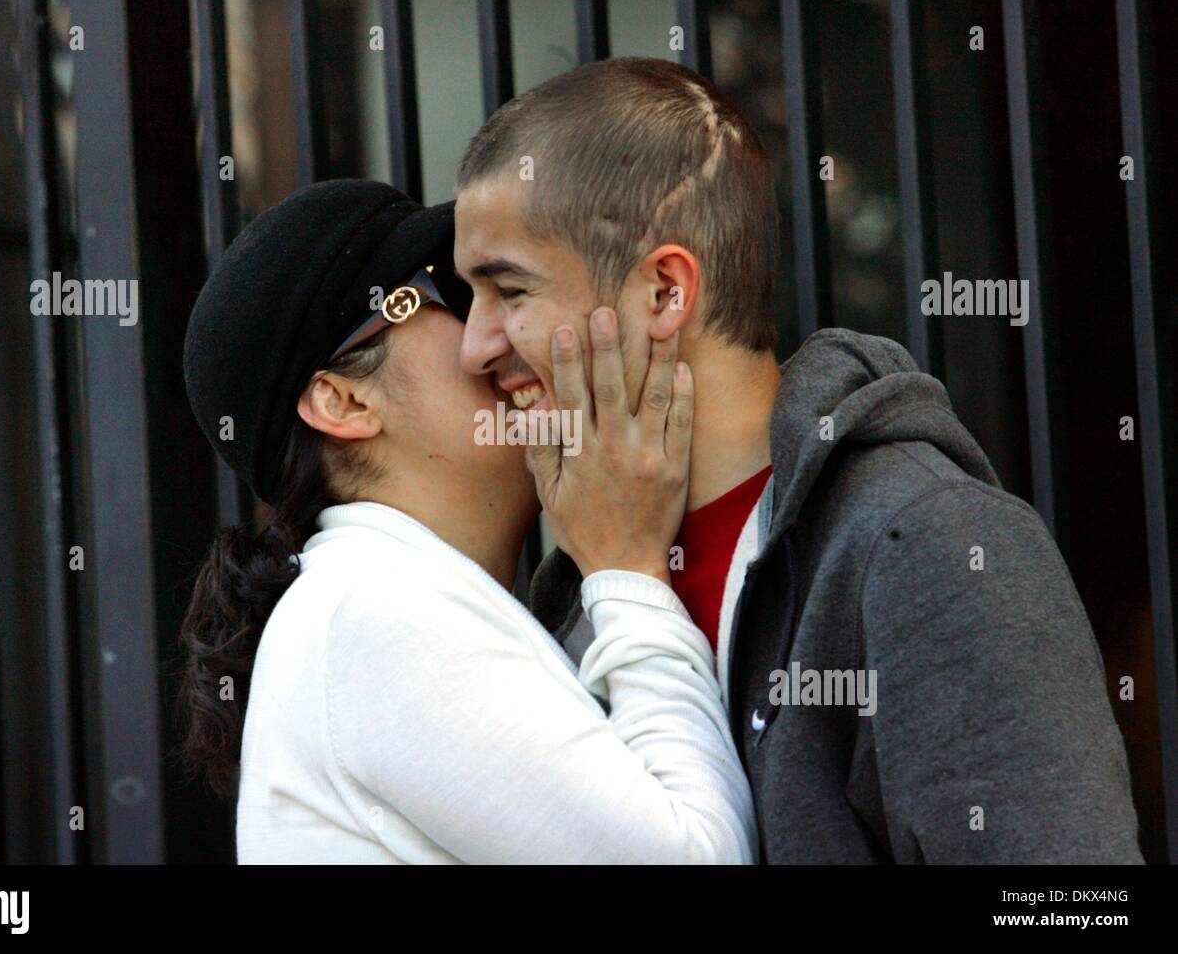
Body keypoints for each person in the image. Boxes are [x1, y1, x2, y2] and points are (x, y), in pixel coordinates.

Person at [453, 56, 1143, 863]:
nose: (474, 346)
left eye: (511, 291)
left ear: (665, 293)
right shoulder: (578, 584)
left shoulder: (925, 543)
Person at [179, 178, 756, 864]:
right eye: (452, 292)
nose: (496, 335)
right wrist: (628, 570)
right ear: (343, 401)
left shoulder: (383, 603)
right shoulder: (375, 614)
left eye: (505, 293)